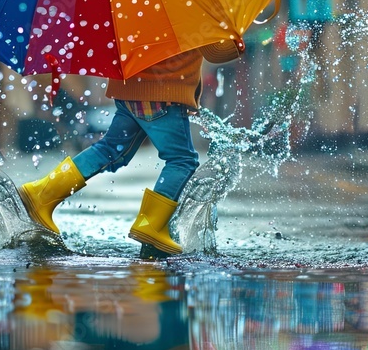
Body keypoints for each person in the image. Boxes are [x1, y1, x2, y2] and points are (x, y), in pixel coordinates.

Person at [15, 39, 245, 255]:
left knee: (110, 150)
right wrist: (235, 39)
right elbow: (215, 51)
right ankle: (151, 224)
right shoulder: (190, 2)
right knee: (182, 159)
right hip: (162, 90)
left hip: (128, 88)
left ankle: (42, 192)